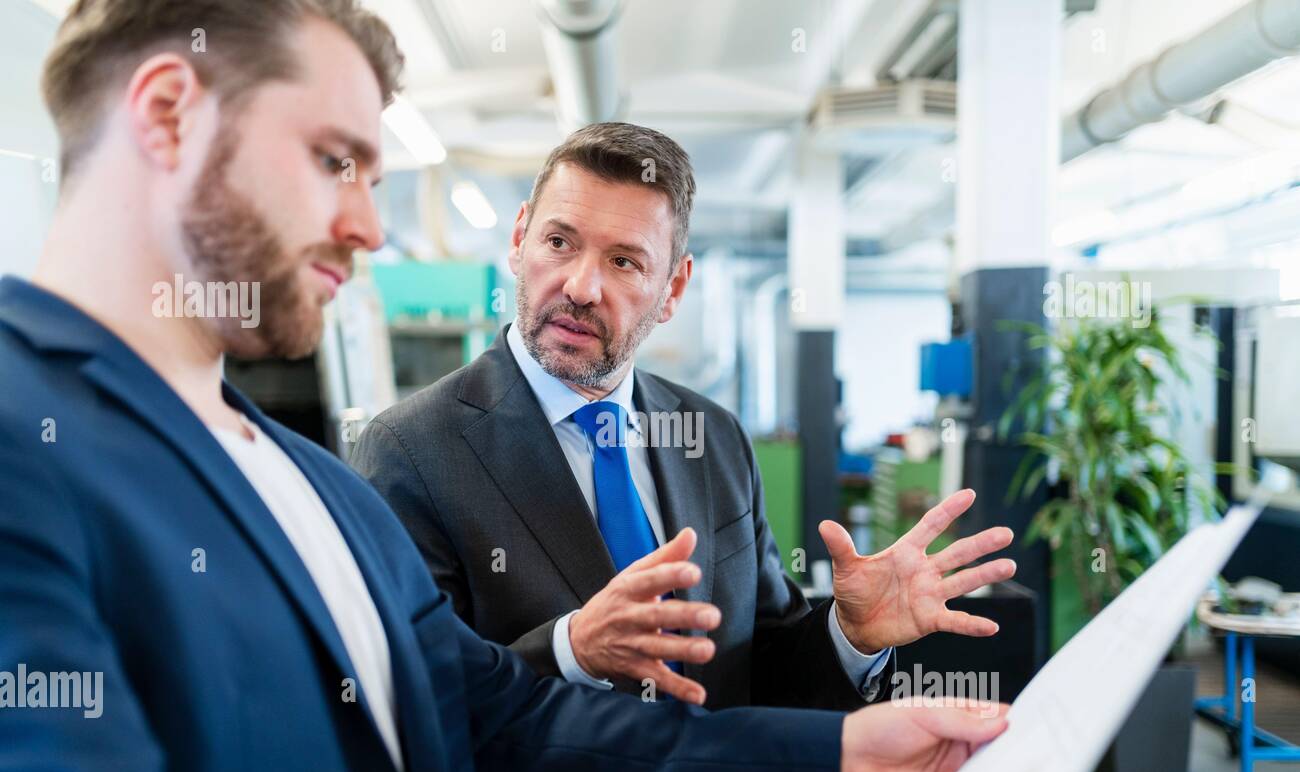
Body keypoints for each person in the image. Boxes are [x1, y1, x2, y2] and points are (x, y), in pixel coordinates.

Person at [0, 0, 1087, 772]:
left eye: (374, 177)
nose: (368, 224)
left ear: (670, 287)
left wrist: (839, 751)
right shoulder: (26, 437)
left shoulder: (307, 483)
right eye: (334, 158)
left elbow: (503, 722)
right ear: (167, 113)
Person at [353, 122, 1019, 710]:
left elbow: (763, 666)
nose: (581, 286)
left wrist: (851, 634)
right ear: (521, 238)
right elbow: (417, 696)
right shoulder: (412, 451)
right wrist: (572, 652)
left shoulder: (714, 438)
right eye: (559, 242)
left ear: (673, 289)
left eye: (623, 261)